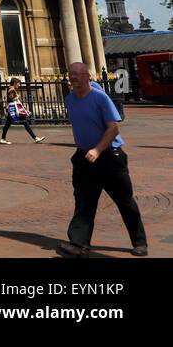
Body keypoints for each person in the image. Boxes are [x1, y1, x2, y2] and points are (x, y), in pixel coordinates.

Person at [59, 62, 147, 257]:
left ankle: (139, 242)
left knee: (124, 201)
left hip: (109, 156)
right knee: (84, 201)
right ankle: (79, 243)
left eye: (77, 74)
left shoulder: (100, 98)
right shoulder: (70, 100)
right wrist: (86, 152)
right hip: (84, 157)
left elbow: (113, 127)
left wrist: (97, 150)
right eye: (71, 74)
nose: (73, 77)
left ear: (88, 76)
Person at [0, 79, 45, 144]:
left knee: (7, 124)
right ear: (15, 83)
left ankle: (3, 138)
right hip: (13, 109)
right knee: (25, 122)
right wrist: (17, 97)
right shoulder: (11, 90)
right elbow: (10, 99)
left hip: (11, 109)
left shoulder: (10, 89)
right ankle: (35, 138)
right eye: (18, 83)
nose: (19, 85)